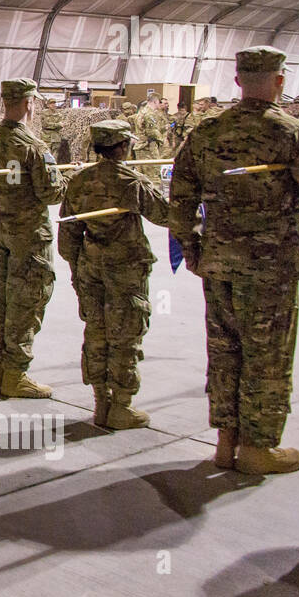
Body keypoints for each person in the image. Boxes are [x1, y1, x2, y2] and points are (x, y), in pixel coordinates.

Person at [169, 45, 299, 476]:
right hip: (269, 268)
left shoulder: (206, 133)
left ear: (237, 80)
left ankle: (225, 441)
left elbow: (180, 197)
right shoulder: (293, 134)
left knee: (225, 351)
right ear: (280, 81)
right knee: (266, 356)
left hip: (219, 264)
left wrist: (192, 249)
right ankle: (258, 447)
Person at [58, 120, 169, 428]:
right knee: (125, 334)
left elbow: (68, 232)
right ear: (123, 147)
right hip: (125, 270)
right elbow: (165, 214)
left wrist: (77, 271)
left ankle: (100, 403)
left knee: (95, 331)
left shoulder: (80, 181)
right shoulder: (131, 181)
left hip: (90, 267)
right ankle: (121, 406)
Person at [0, 78, 67, 399]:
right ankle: (15, 374)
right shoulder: (34, 146)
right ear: (29, 103)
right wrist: (66, 178)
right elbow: (51, 193)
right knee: (27, 299)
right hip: (28, 238)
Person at [132, 93, 167, 159]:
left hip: (140, 146)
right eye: (159, 102)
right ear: (155, 101)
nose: (159, 104)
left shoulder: (141, 112)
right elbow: (152, 132)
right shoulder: (149, 114)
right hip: (148, 148)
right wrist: (162, 140)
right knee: (154, 168)